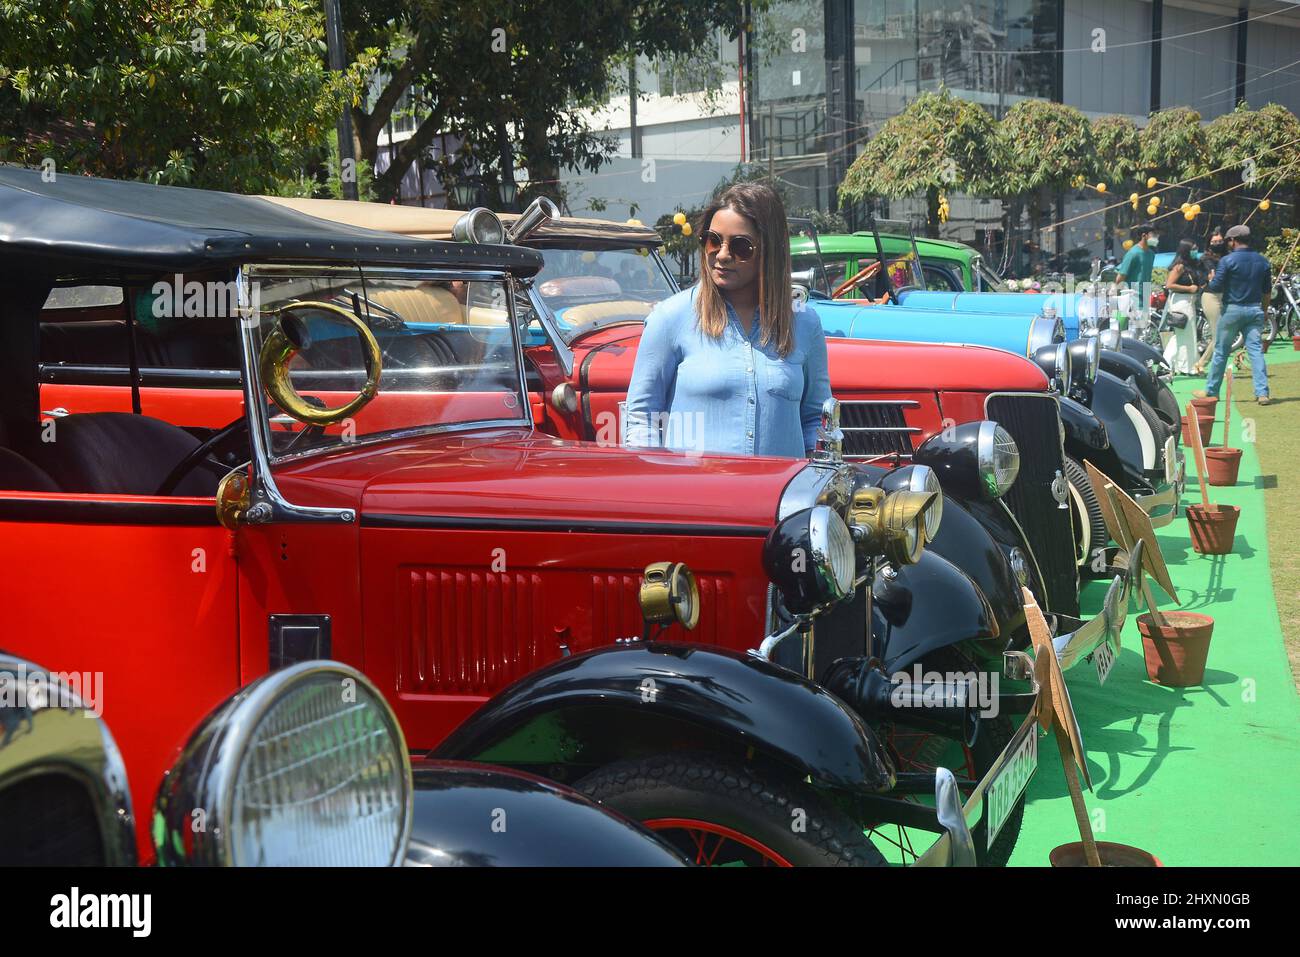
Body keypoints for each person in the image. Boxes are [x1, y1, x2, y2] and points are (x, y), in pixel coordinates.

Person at [625, 182, 831, 457]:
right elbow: (642, 419)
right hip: (697, 496)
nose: (722, 255)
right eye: (713, 240)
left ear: (770, 251)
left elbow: (817, 419)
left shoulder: (805, 323)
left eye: (741, 246)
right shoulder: (670, 318)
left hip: (782, 497)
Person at [1194, 224, 1273, 405]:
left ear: (1233, 241)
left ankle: (1212, 391)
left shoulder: (1227, 261)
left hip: (1232, 310)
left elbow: (1216, 286)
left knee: (1221, 351)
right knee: (1255, 352)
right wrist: (1265, 310)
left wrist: (1210, 281)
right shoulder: (1262, 261)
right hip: (1255, 310)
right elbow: (1266, 291)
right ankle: (1262, 393)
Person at [1161, 239, 1202, 374]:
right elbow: (1169, 285)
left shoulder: (1190, 266)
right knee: (1185, 335)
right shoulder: (1179, 266)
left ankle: (1169, 364)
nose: (1195, 251)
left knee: (1183, 335)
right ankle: (1185, 367)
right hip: (1181, 302)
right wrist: (1189, 288)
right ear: (1186, 250)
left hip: (1189, 302)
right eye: (1193, 249)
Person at [1193, 228, 1227, 375]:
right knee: (1219, 334)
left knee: (1225, 334)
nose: (1217, 244)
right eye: (1214, 242)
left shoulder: (1228, 257)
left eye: (1220, 241)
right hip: (1211, 297)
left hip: (1226, 296)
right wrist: (1209, 279)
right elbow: (1208, 275)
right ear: (1209, 244)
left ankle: (1202, 364)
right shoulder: (1206, 259)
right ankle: (1205, 364)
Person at [1116, 222, 1159, 330]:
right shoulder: (1133, 253)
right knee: (1132, 332)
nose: (1156, 237)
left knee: (1141, 332)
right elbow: (1120, 278)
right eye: (1153, 234)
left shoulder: (1151, 254)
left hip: (1145, 296)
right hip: (1132, 298)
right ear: (1144, 235)